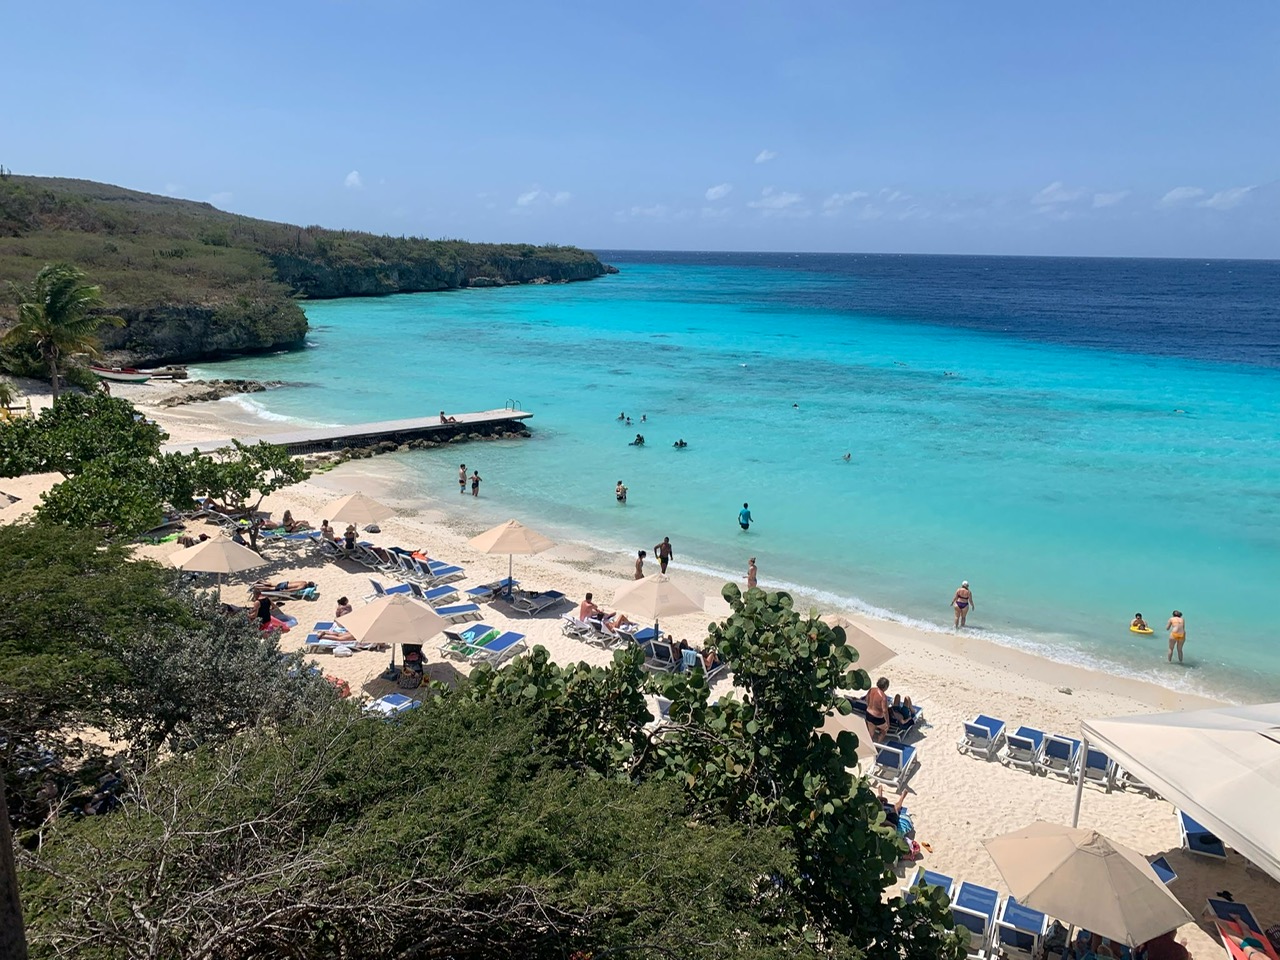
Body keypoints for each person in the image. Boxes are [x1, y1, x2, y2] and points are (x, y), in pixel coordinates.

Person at [865, 676, 890, 743]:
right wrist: (887, 722)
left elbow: (867, 699)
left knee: (871, 733)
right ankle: (878, 743)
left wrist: (870, 706)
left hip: (868, 714)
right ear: (885, 687)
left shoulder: (871, 690)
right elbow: (885, 711)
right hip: (877, 718)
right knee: (884, 730)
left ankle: (869, 746)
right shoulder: (883, 697)